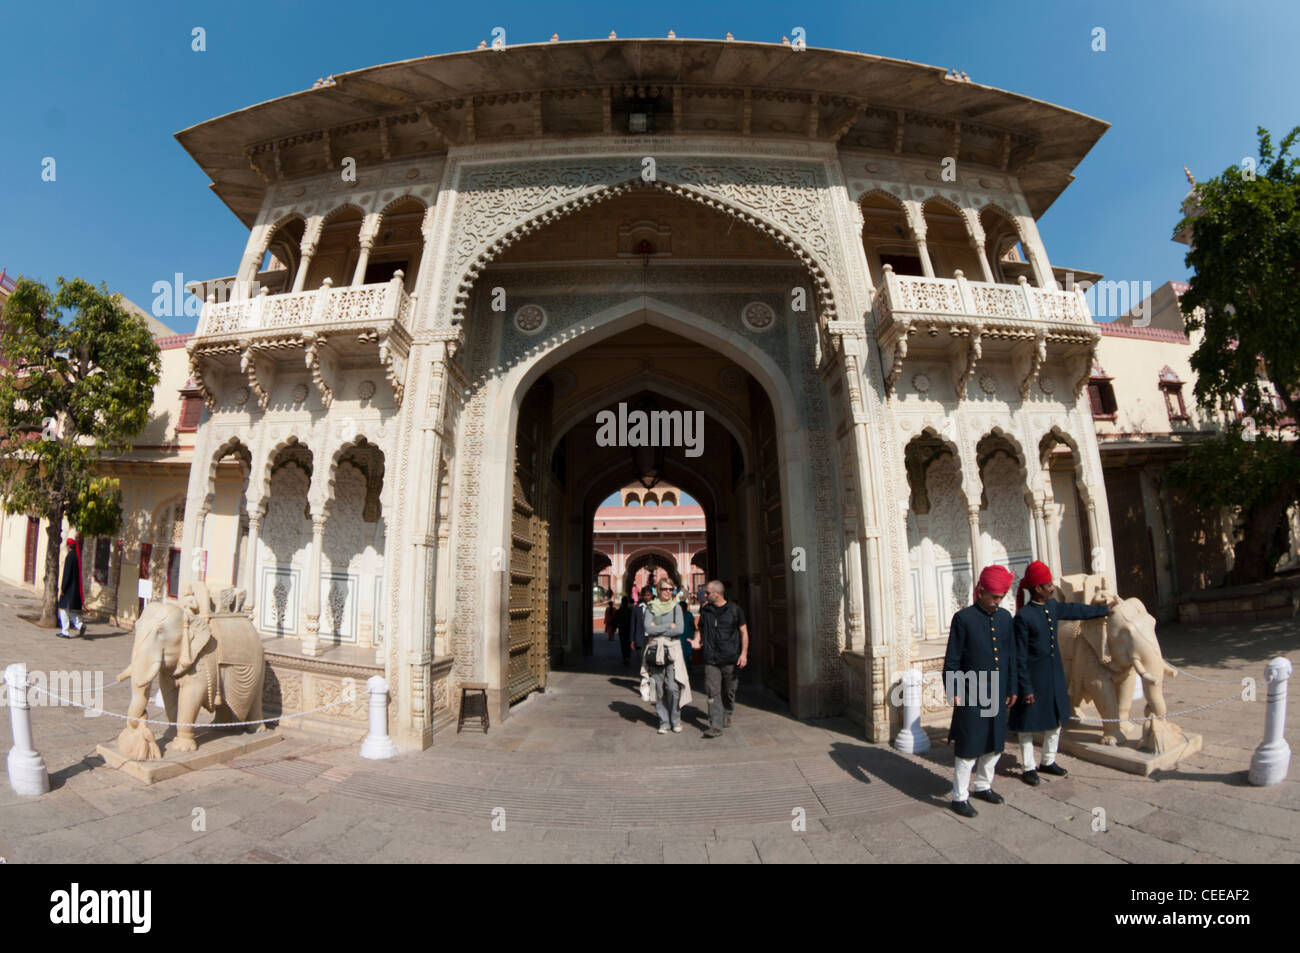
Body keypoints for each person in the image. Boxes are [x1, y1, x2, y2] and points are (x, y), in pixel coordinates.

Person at [1010, 560, 1116, 785]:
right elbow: (1019, 657)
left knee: (1055, 720)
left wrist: (1102, 610)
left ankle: (1047, 761)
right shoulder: (1023, 617)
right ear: (1037, 588)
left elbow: (1075, 610)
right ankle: (1028, 766)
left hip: (1054, 675)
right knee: (1028, 725)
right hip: (1034, 678)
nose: (1051, 588)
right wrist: (1025, 687)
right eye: (1048, 585)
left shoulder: (1052, 607)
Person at [943, 564, 1020, 818]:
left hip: (997, 690)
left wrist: (1012, 687)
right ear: (980, 591)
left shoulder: (1005, 618)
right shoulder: (963, 619)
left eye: (1002, 597)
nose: (998, 602)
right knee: (969, 747)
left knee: (995, 744)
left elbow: (1010, 656)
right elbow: (952, 659)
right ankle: (959, 796)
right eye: (995, 597)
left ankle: (983, 786)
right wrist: (953, 688)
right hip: (971, 691)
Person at [692, 579, 747, 738]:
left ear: (717, 593)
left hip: (730, 658)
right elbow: (699, 629)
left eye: (707, 592)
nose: (704, 594)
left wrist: (743, 654)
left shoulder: (735, 610)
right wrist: (697, 640)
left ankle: (727, 711)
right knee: (712, 691)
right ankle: (715, 725)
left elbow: (744, 632)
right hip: (711, 658)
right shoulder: (705, 610)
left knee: (729, 690)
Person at [640, 580, 690, 733]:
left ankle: (675, 719)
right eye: (664, 589)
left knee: (673, 687)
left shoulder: (676, 609)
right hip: (655, 652)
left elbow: (680, 629)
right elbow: (648, 628)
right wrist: (669, 627)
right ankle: (663, 721)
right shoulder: (651, 608)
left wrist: (659, 629)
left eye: (671, 589)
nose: (668, 592)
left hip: (672, 651)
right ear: (658, 590)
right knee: (656, 688)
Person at [57, 537, 86, 639]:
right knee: (69, 610)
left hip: (68, 588)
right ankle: (80, 625)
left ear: (69, 546)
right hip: (74, 588)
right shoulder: (76, 556)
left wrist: (63, 588)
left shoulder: (69, 557)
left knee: (63, 609)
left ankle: (65, 631)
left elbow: (67, 574)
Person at [614, 596, 633, 666]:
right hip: (628, 630)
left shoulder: (620, 611)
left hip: (622, 630)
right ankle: (627, 657)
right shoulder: (630, 611)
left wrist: (616, 626)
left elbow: (615, 620)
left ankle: (625, 657)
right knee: (628, 644)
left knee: (623, 644)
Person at [678, 596, 695, 665]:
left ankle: (688, 668)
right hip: (681, 637)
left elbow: (693, 625)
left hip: (687, 637)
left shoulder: (688, 615)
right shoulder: (677, 616)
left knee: (688, 654)